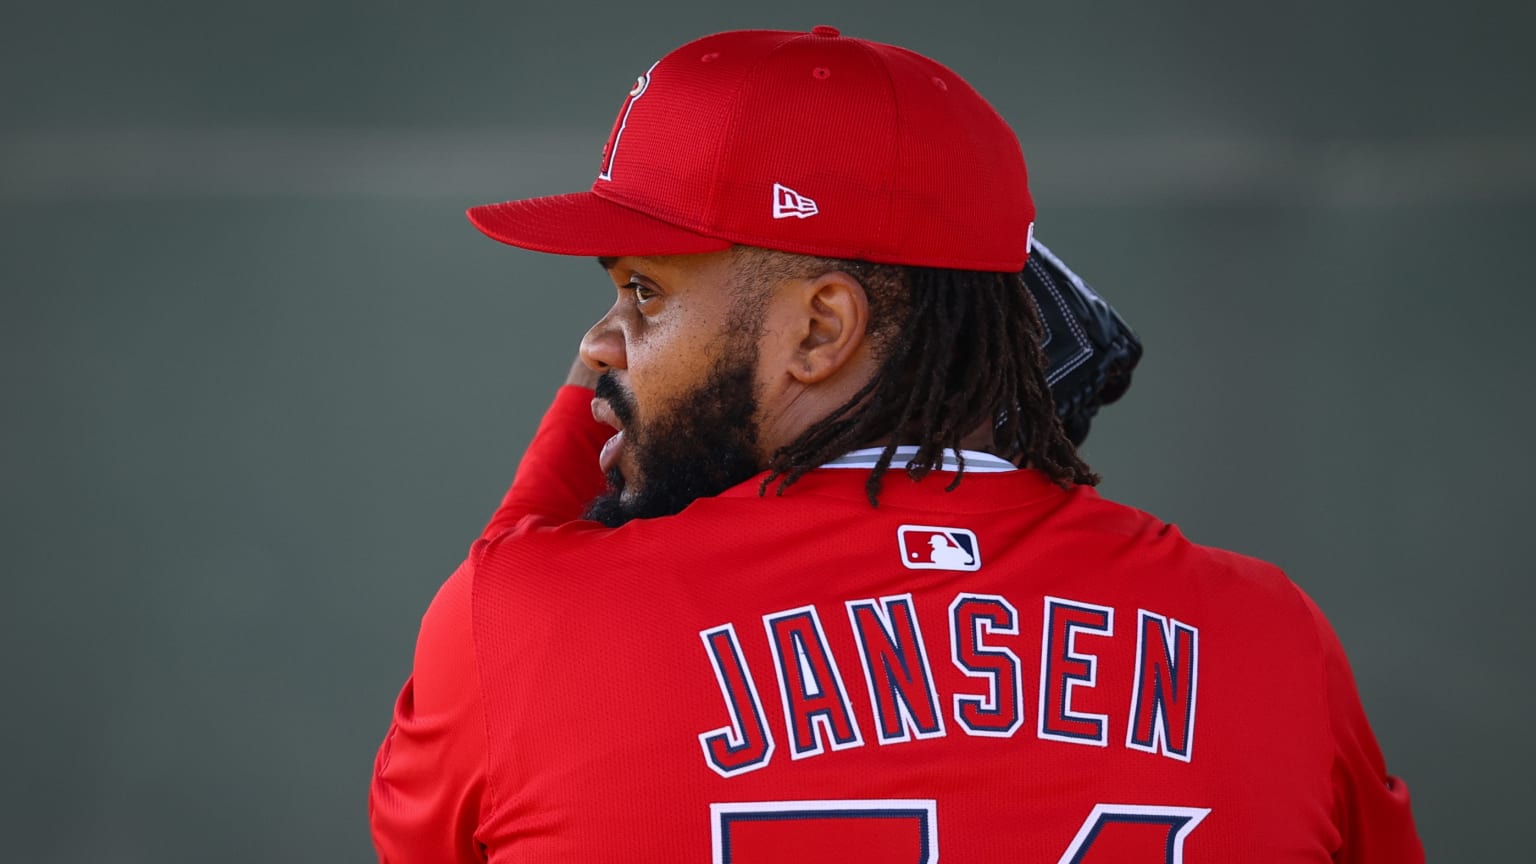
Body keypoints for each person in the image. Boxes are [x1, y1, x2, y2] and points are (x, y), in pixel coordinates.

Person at [369, 26, 1423, 863]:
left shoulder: (523, 631)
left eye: (644, 292)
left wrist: (528, 538)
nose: (599, 347)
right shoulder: (1270, 639)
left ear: (822, 331)